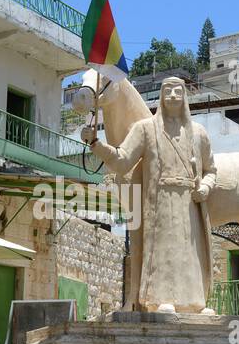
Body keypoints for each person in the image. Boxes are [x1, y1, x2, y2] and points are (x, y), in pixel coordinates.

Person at [82, 76, 216, 313]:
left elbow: (210, 170)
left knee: (190, 253)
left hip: (189, 204)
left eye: (178, 91)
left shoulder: (199, 133)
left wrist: (205, 187)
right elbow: (122, 161)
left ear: (185, 96)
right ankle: (162, 298)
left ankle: (194, 302)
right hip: (160, 201)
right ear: (161, 97)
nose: (173, 95)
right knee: (164, 250)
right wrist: (96, 144)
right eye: (167, 91)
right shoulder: (145, 129)